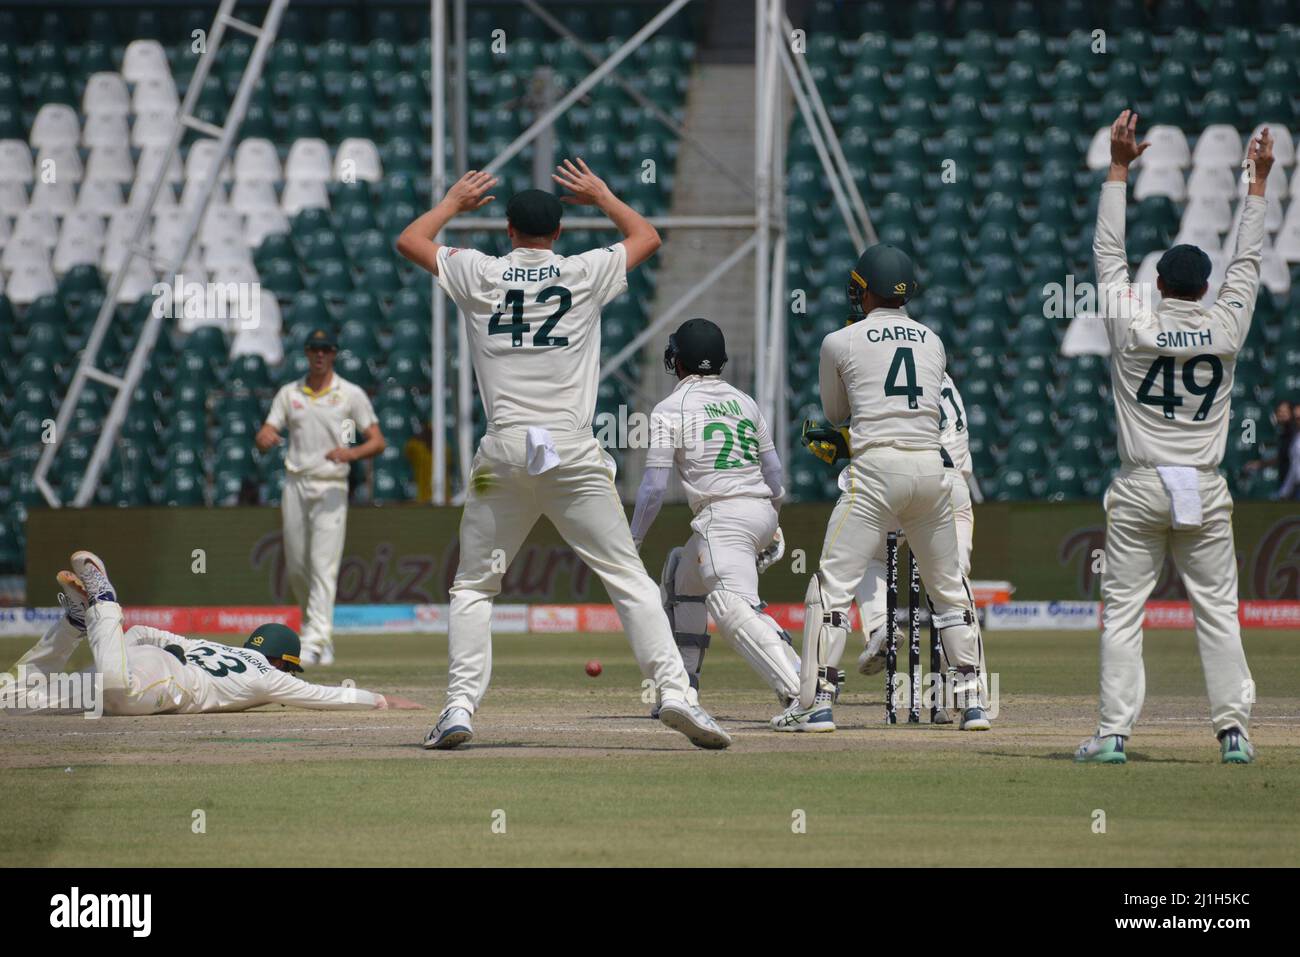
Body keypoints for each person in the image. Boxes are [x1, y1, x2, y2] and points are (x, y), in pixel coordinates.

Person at [395, 161, 731, 750]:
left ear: (508, 231)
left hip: (505, 453)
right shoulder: (583, 270)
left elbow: (409, 240)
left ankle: (458, 708)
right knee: (627, 578)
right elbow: (647, 236)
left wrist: (452, 203)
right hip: (570, 450)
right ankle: (676, 693)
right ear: (558, 232)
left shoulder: (478, 271)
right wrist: (602, 194)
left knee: (474, 586)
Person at [1076, 112, 1271, 765]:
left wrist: (1119, 168)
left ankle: (1113, 734)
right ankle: (1234, 732)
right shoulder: (1226, 326)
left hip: (1141, 483)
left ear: (1157, 284)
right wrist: (1257, 185)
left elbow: (1108, 256)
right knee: (1218, 611)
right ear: (1205, 288)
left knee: (1123, 611)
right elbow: (1248, 261)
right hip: (1204, 486)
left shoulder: (1133, 323)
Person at [774, 244, 987, 733]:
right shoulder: (933, 340)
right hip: (932, 471)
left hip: (875, 473)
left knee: (830, 587)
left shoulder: (839, 341)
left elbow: (836, 414)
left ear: (864, 290)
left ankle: (816, 703)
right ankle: (974, 701)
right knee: (948, 589)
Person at [3, 551, 421, 715]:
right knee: (118, 692)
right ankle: (104, 603)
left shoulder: (207, 645)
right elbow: (327, 696)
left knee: (16, 698)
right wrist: (381, 699)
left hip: (147, 661)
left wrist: (120, 649)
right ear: (282, 661)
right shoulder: (268, 676)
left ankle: (74, 623)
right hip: (169, 680)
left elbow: (144, 631)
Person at [628, 318, 797, 714]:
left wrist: (632, 539)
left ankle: (804, 688)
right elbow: (774, 472)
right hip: (757, 511)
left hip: (723, 517)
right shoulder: (745, 401)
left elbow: (654, 488)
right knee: (682, 576)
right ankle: (683, 687)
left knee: (732, 606)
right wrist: (773, 521)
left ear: (678, 361)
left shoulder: (670, 408)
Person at [255, 329, 386, 666]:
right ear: (306, 352)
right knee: (298, 566)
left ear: (334, 354)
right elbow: (267, 430)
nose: (319, 355)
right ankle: (316, 631)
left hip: (331, 485)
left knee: (322, 565)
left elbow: (377, 440)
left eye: (326, 350)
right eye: (314, 349)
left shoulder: (350, 394)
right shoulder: (290, 393)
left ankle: (317, 639)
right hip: (296, 484)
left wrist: (350, 453)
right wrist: (265, 435)